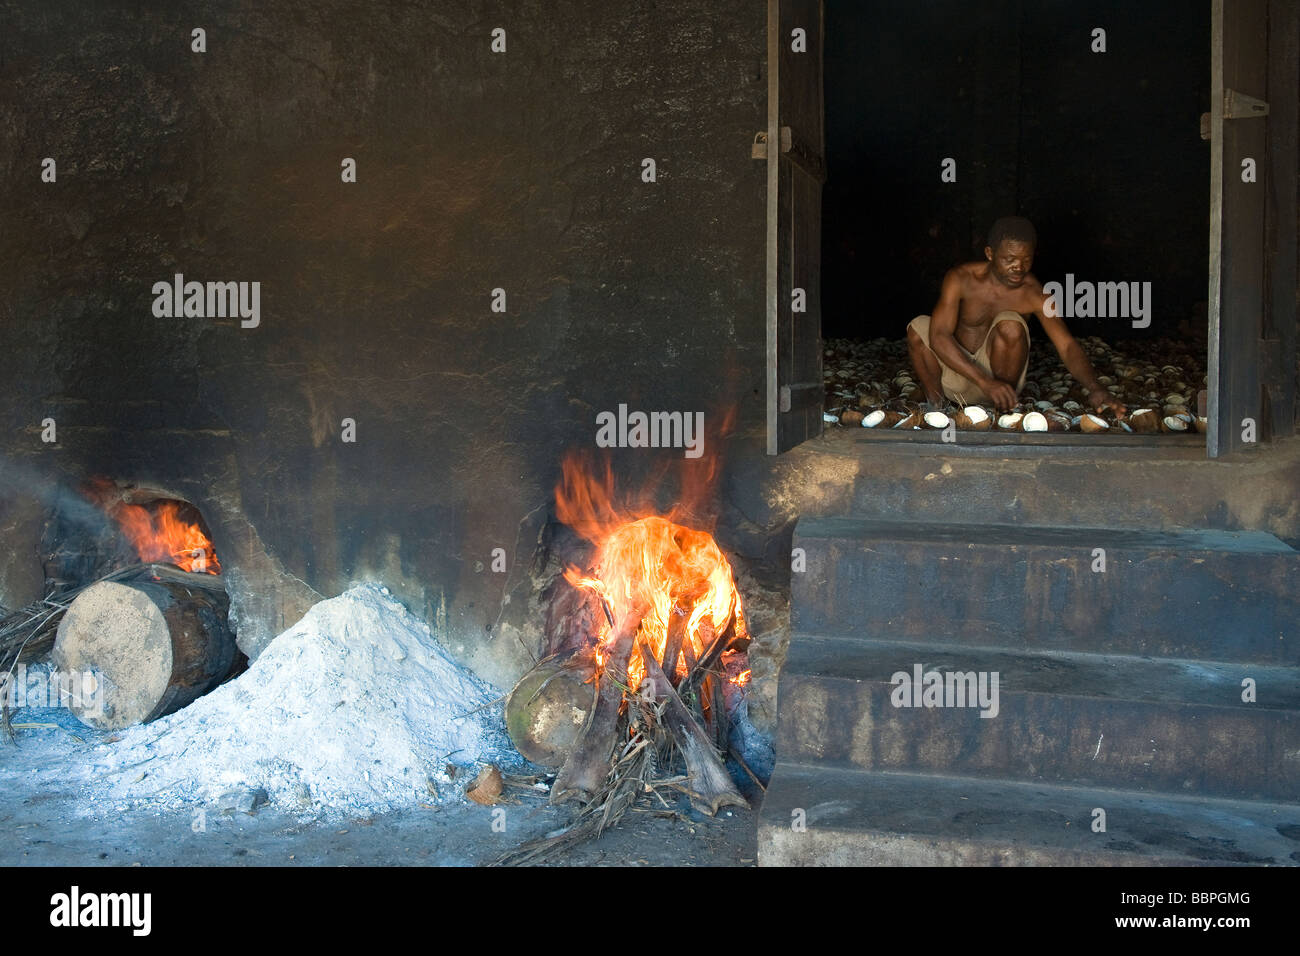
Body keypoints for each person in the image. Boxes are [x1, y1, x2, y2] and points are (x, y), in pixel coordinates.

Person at [906, 216, 1126, 416]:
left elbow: (1067, 346)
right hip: (956, 374)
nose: (1018, 267)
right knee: (919, 326)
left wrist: (1096, 388)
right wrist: (983, 381)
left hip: (999, 389)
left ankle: (1002, 412)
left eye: (1026, 259)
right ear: (990, 254)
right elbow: (939, 336)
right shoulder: (961, 278)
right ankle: (936, 408)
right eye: (1009, 259)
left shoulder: (1035, 293)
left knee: (1011, 322)